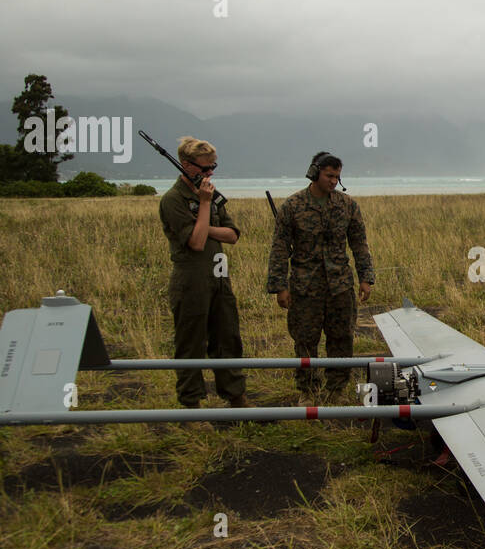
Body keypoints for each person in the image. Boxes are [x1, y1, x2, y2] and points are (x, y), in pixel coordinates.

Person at [266, 152, 375, 402]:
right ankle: (308, 390)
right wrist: (279, 287)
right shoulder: (292, 207)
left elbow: (359, 244)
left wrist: (366, 278)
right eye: (329, 175)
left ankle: (336, 390)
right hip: (305, 288)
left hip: (340, 286)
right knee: (305, 343)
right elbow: (279, 249)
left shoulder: (347, 205)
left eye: (337, 176)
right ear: (314, 173)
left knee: (341, 339)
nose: (334, 181)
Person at [157, 136, 247, 409]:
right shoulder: (174, 200)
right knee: (191, 344)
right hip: (191, 280)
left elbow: (232, 235)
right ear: (186, 165)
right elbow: (195, 244)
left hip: (220, 277)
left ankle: (235, 398)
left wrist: (203, 225)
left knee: (228, 338)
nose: (209, 174)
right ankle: (191, 405)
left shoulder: (214, 196)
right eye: (204, 169)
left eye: (213, 168)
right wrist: (205, 206)